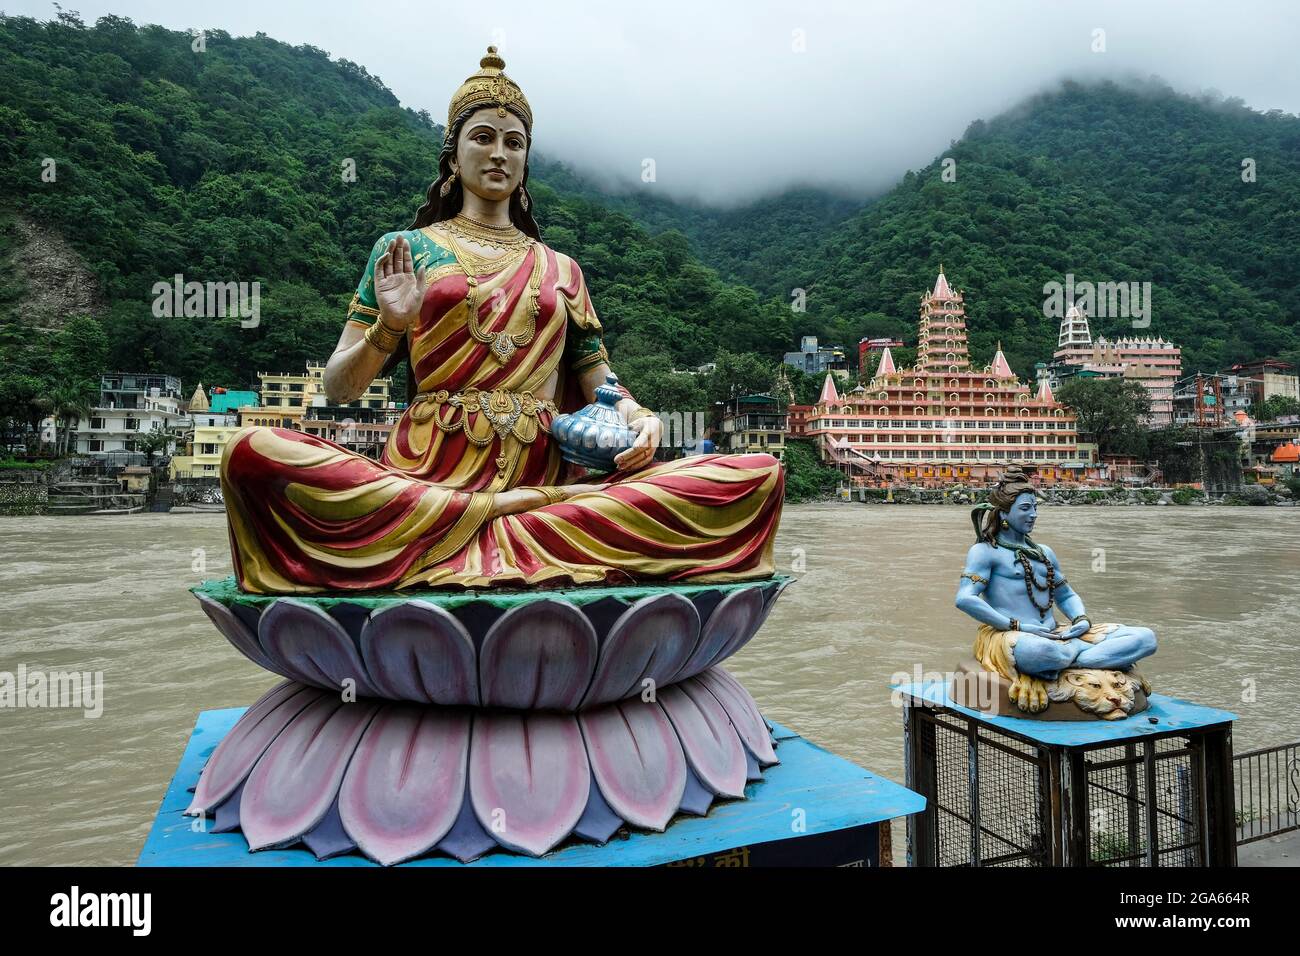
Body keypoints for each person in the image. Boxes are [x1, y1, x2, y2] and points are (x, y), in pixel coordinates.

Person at [220, 48, 783, 594]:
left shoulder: (562, 268)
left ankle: (490, 527)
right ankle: (491, 517)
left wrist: (641, 417)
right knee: (251, 452)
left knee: (755, 475)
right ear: (453, 154)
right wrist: (389, 327)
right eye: (482, 137)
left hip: (549, 479)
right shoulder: (406, 250)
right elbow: (339, 387)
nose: (498, 154)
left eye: (513, 143)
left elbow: (600, 383)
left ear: (525, 160)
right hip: (427, 480)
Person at [954, 467, 1156, 712]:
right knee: (1042, 652)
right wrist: (1017, 626)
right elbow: (965, 598)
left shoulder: (1044, 552)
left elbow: (1066, 594)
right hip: (1012, 635)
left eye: (1035, 508)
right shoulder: (985, 551)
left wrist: (1080, 619)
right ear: (1004, 513)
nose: (1034, 515)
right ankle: (1096, 656)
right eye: (1025, 509)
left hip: (1058, 633)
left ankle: (1072, 658)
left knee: (1145, 638)